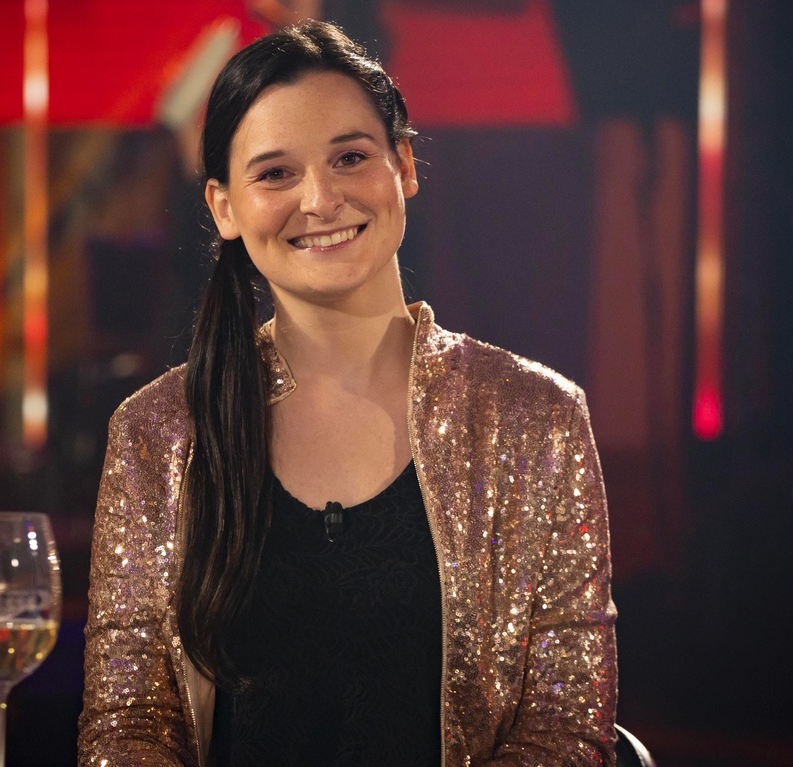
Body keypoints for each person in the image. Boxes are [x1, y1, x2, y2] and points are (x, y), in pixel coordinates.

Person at [78, 20, 616, 767]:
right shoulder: (157, 432)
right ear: (224, 207)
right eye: (274, 174)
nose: (320, 198)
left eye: (350, 158)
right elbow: (128, 725)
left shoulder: (537, 417)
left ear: (403, 165)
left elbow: (563, 726)